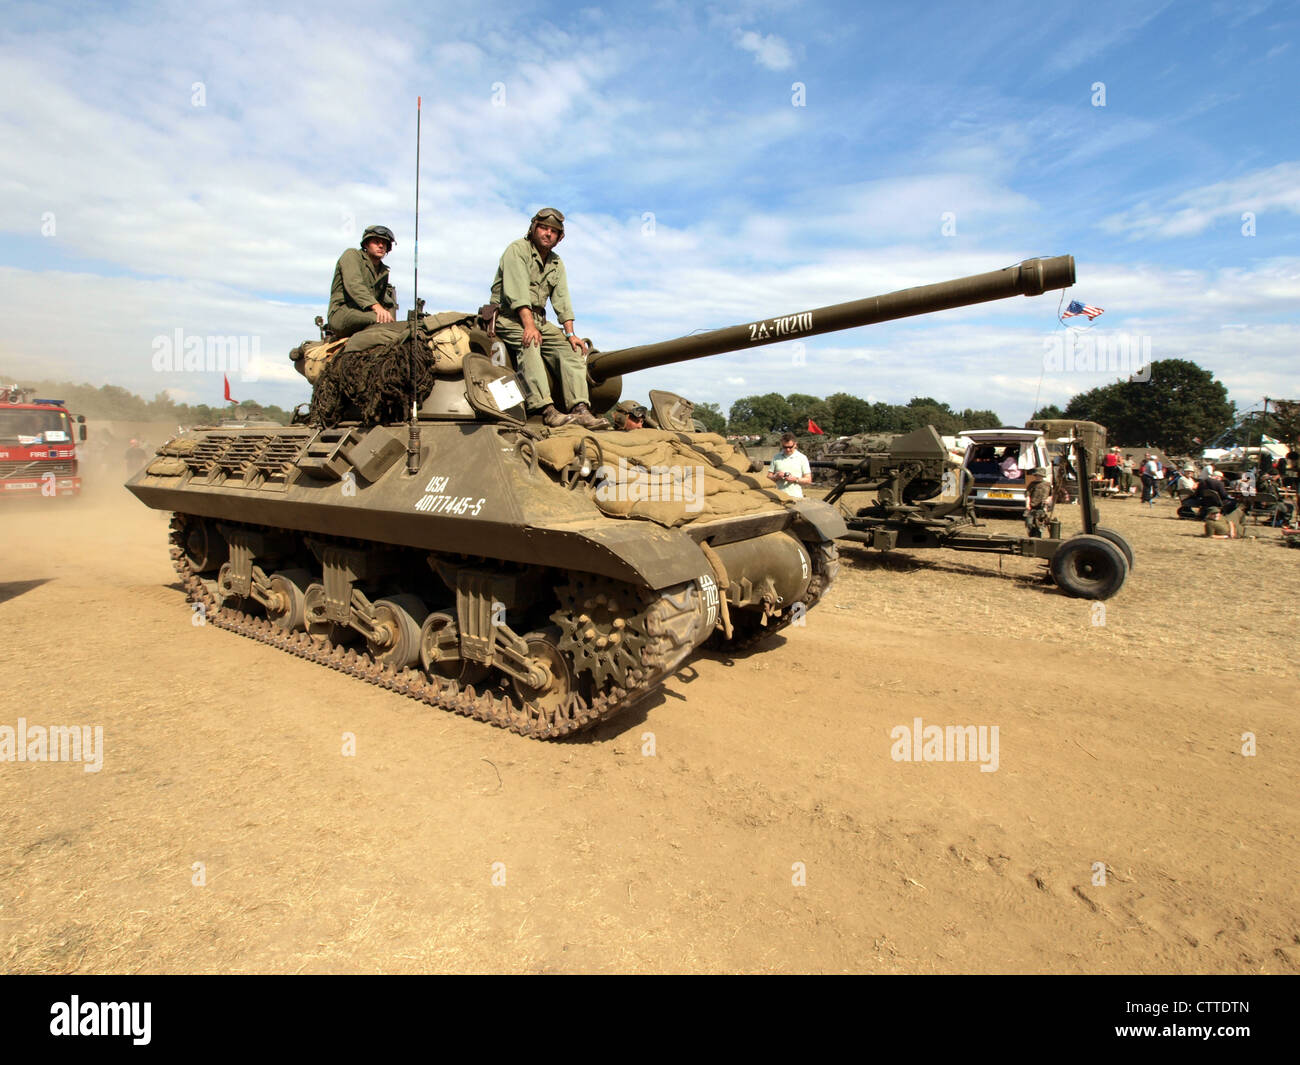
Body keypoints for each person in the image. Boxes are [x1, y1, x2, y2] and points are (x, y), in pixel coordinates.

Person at [488, 208, 606, 429]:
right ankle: (546, 409)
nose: (548, 233)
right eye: (544, 228)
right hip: (508, 316)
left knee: (571, 351)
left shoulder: (556, 263)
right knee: (530, 342)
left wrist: (570, 334)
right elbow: (517, 293)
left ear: (559, 238)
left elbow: (562, 299)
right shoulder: (517, 250)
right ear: (533, 228)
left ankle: (580, 408)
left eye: (554, 231)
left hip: (538, 320)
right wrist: (529, 325)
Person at [328, 225, 398, 338]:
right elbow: (354, 285)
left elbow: (383, 301)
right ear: (366, 244)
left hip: (366, 314)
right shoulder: (352, 255)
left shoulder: (383, 271)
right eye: (376, 242)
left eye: (384, 243)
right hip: (343, 313)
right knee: (383, 321)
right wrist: (377, 308)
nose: (381, 246)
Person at [768, 432, 811, 498]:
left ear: (795, 444)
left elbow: (808, 480)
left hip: (796, 497)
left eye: (790, 447)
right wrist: (776, 476)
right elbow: (769, 477)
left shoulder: (802, 458)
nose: (787, 449)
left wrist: (795, 479)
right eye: (784, 447)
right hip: (778, 497)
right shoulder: (776, 457)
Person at [1024, 467, 1051, 536]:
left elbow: (1051, 495)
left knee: (1039, 525)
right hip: (1032, 507)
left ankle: (1038, 536)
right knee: (1029, 523)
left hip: (1042, 507)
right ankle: (1031, 535)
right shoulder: (1032, 484)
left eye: (1039, 476)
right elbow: (1027, 495)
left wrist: (1048, 500)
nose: (1038, 477)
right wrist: (1027, 505)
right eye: (1036, 475)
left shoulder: (1047, 485)